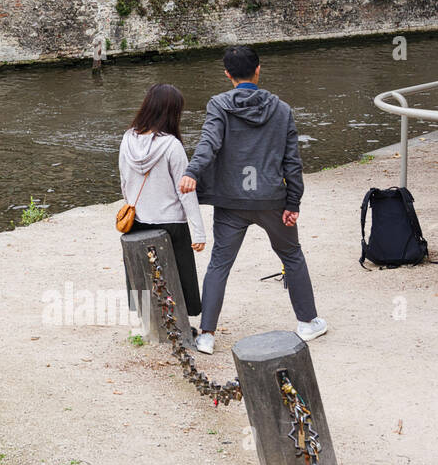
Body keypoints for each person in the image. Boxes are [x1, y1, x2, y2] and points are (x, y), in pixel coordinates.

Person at [179, 45, 326, 354]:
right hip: (272, 199)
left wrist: (193, 170)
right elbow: (292, 162)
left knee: (219, 263)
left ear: (227, 74)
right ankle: (308, 322)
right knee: (292, 256)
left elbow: (209, 142)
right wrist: (293, 203)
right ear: (259, 70)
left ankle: (206, 334)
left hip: (231, 200)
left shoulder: (218, 105)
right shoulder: (282, 110)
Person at [118, 84, 206, 321]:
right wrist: (198, 232)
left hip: (138, 221)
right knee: (178, 279)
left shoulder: (127, 139)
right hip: (171, 224)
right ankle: (180, 324)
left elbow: (124, 182)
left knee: (146, 276)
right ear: (172, 112)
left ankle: (151, 323)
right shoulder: (171, 145)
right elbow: (185, 191)